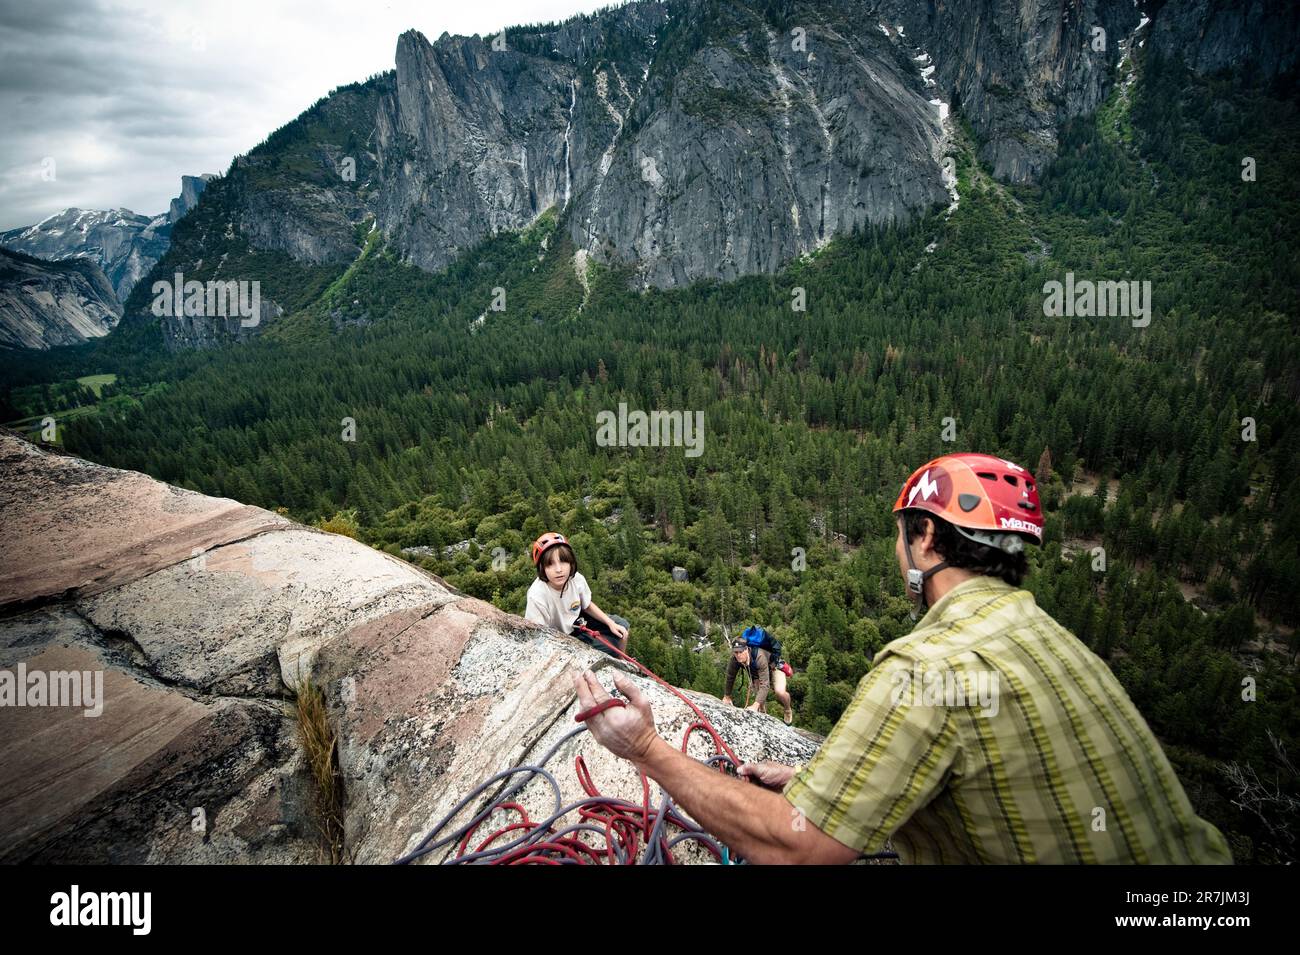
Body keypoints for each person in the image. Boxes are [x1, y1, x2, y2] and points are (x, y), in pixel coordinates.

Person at [572, 453, 1233, 864]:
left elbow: (795, 847)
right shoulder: (1067, 645)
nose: (896, 555)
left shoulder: (925, 668)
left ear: (924, 537)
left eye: (900, 537)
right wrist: (826, 785)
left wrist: (647, 749)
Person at [525, 532, 629, 655]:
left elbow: (587, 605)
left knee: (622, 627)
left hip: (578, 622)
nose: (559, 569)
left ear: (571, 563)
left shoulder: (575, 579)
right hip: (559, 636)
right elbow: (538, 634)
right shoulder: (537, 595)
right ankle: (616, 661)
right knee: (608, 650)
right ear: (542, 568)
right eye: (550, 564)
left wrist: (610, 623)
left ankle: (624, 663)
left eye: (563, 562)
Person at [723, 631, 794, 724]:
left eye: (740, 651)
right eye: (735, 652)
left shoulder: (759, 656)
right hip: (757, 672)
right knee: (759, 698)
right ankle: (763, 717)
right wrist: (727, 696)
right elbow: (730, 677)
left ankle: (787, 710)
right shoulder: (734, 659)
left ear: (747, 649)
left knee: (780, 692)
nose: (738, 655)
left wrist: (754, 705)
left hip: (774, 668)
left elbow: (765, 684)